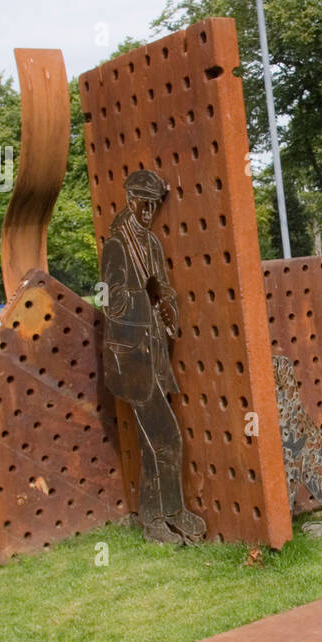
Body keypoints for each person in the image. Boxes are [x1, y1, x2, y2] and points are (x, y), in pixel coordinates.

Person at [100, 170, 206, 544]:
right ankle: (159, 517)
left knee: (153, 442)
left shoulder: (152, 245)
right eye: (144, 204)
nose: (149, 212)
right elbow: (109, 303)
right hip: (132, 362)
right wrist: (140, 295)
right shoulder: (117, 246)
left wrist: (169, 310)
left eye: (154, 206)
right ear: (131, 201)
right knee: (167, 437)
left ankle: (164, 516)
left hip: (155, 354)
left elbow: (165, 290)